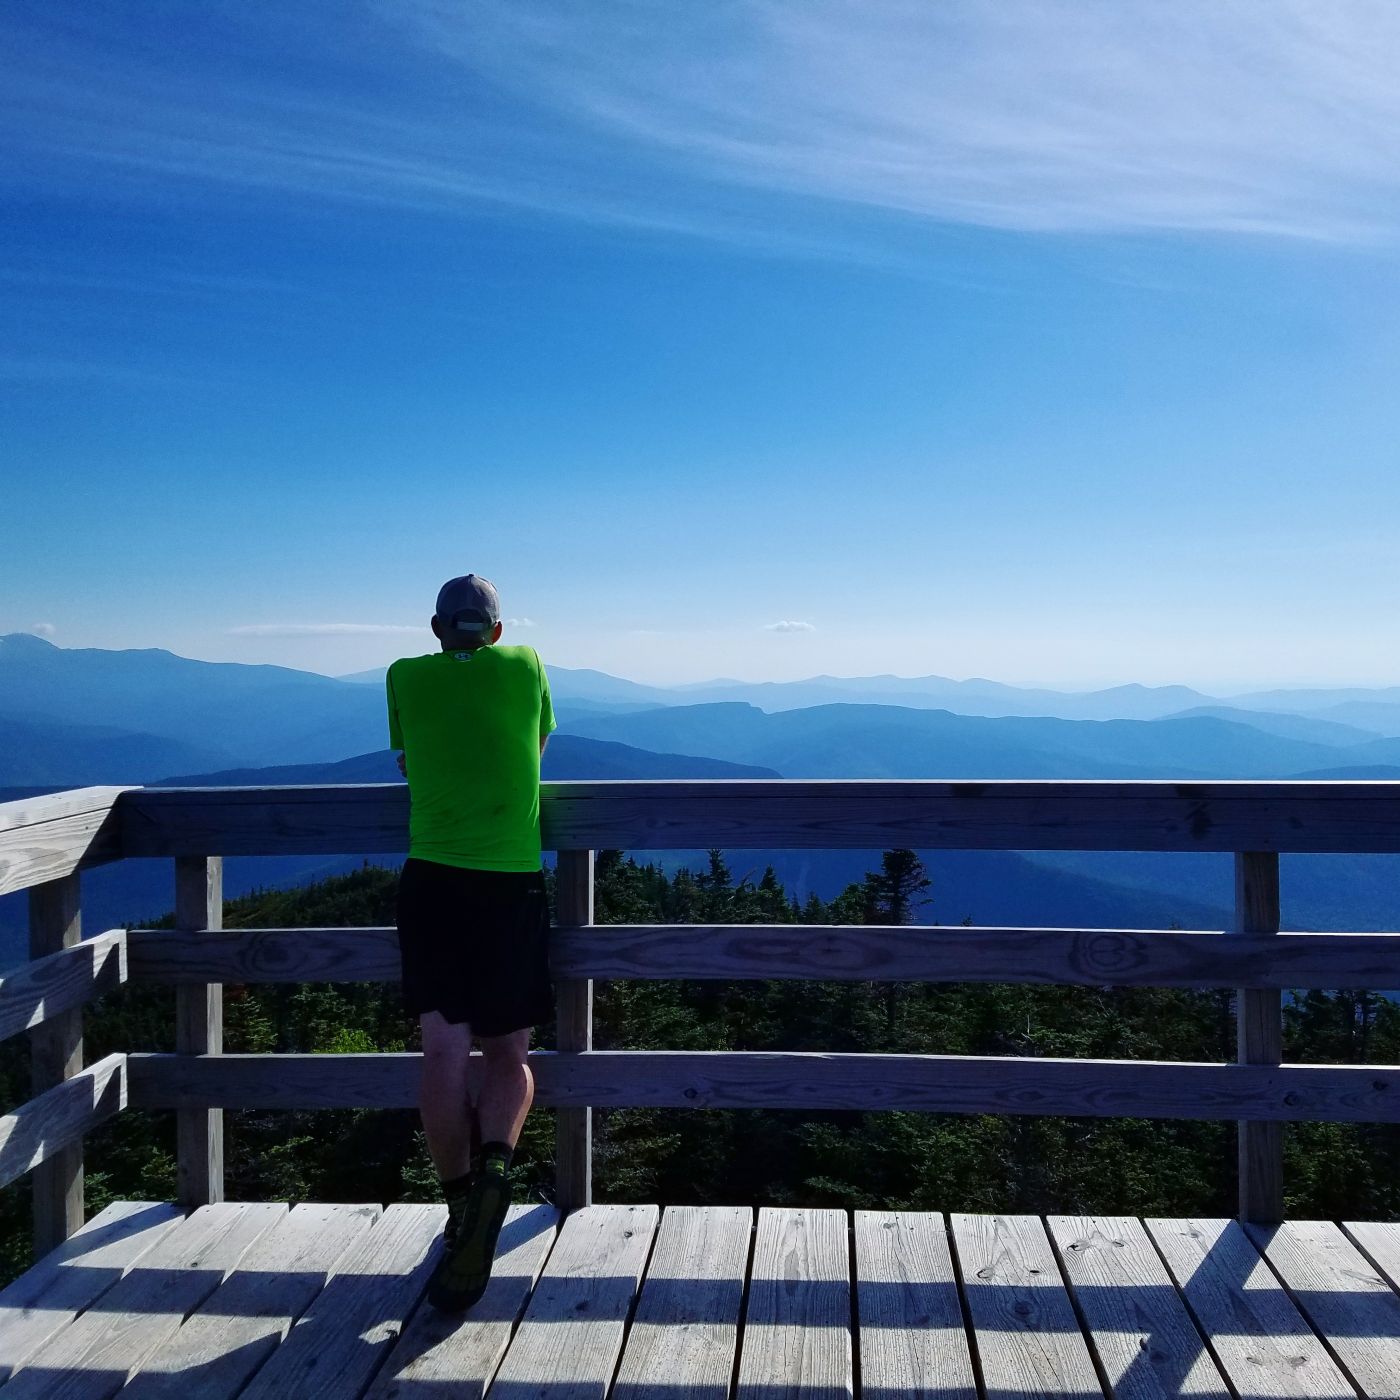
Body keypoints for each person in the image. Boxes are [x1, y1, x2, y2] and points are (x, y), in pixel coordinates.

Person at [387, 573, 556, 1312]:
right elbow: (538, 742)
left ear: (434, 629)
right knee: (510, 1056)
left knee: (441, 1053)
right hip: (509, 884)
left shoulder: (402, 677)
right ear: (495, 629)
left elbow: (405, 763)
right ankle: (496, 1172)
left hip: (432, 882)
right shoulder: (525, 666)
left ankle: (460, 1206)